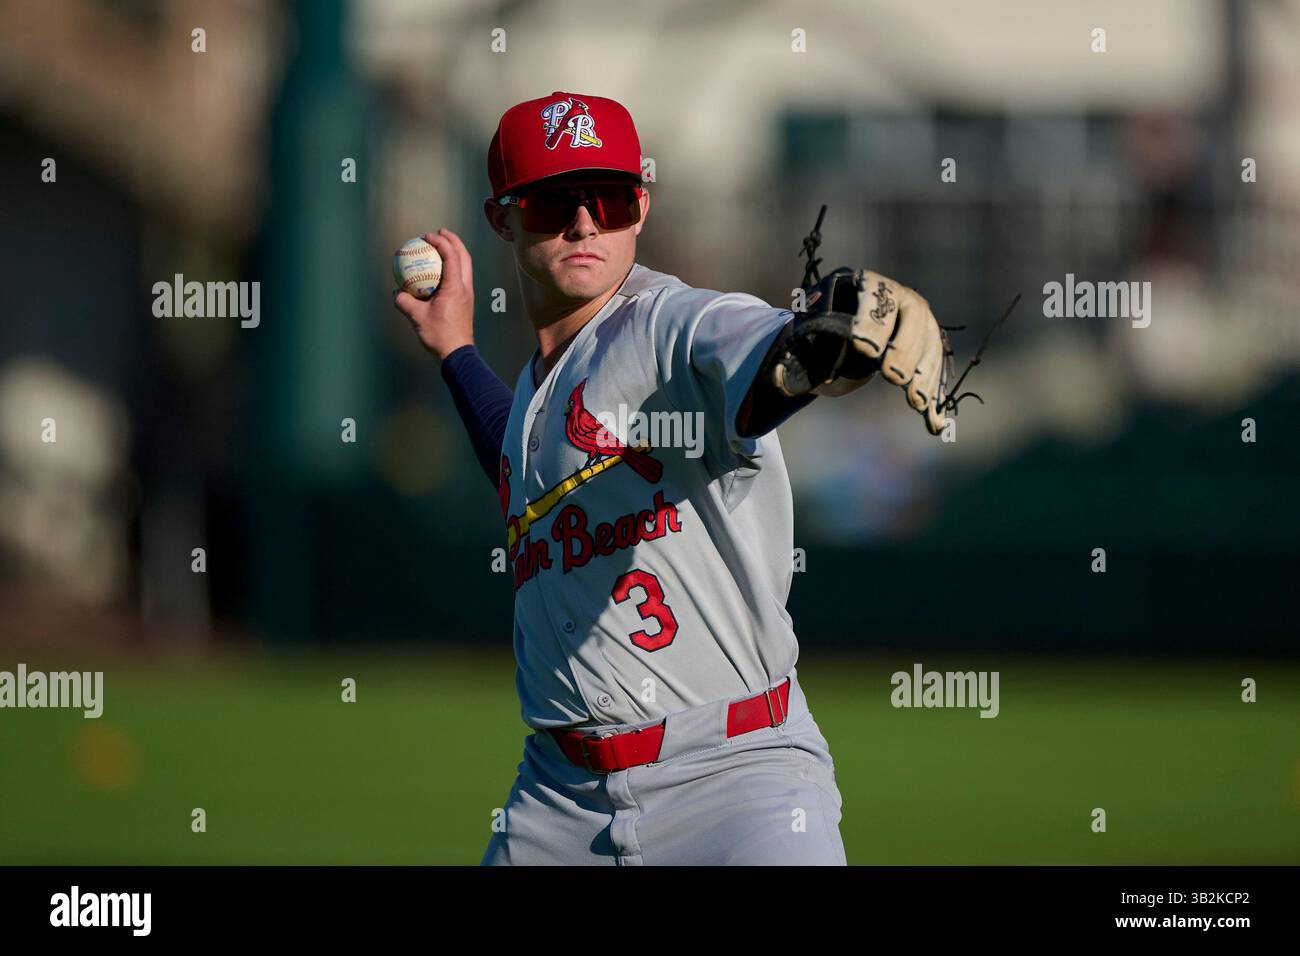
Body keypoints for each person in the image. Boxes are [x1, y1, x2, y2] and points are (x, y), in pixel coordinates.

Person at [393, 91, 951, 865]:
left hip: (737, 782)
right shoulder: (537, 389)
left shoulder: (668, 325)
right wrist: (455, 350)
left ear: (641, 208)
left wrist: (821, 343)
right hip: (558, 801)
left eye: (610, 199)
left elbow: (767, 359)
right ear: (503, 217)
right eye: (557, 200)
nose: (586, 221)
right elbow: (527, 472)